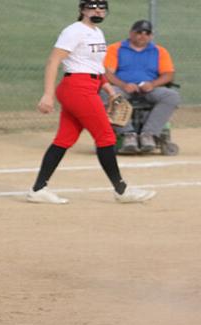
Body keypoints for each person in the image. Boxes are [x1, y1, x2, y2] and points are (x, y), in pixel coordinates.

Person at [28, 1, 155, 204]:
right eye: (92, 6)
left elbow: (95, 67)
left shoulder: (97, 32)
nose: (98, 10)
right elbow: (53, 61)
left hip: (89, 86)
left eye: (102, 7)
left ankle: (38, 189)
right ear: (82, 10)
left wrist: (110, 90)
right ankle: (121, 190)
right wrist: (47, 94)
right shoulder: (74, 31)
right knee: (105, 137)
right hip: (77, 88)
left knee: (64, 139)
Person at [104, 19, 181, 154]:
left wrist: (152, 84)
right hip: (123, 87)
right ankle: (128, 135)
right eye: (139, 32)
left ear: (151, 36)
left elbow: (168, 74)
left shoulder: (159, 51)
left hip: (149, 88)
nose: (143, 35)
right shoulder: (115, 49)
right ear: (131, 33)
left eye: (147, 33)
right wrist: (124, 84)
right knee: (110, 93)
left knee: (171, 96)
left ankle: (149, 134)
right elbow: (107, 73)